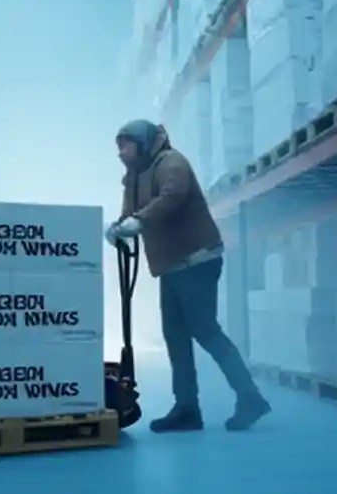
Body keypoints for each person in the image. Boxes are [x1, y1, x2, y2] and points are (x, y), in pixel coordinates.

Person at [105, 119, 271, 432]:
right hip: (171, 265)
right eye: (119, 147)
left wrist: (137, 222)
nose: (121, 152)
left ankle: (250, 398)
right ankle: (187, 409)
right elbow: (130, 214)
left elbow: (172, 195)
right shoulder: (134, 176)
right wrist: (119, 227)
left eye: (126, 144)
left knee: (205, 330)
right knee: (176, 337)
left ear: (142, 142)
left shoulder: (171, 162)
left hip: (197, 258)